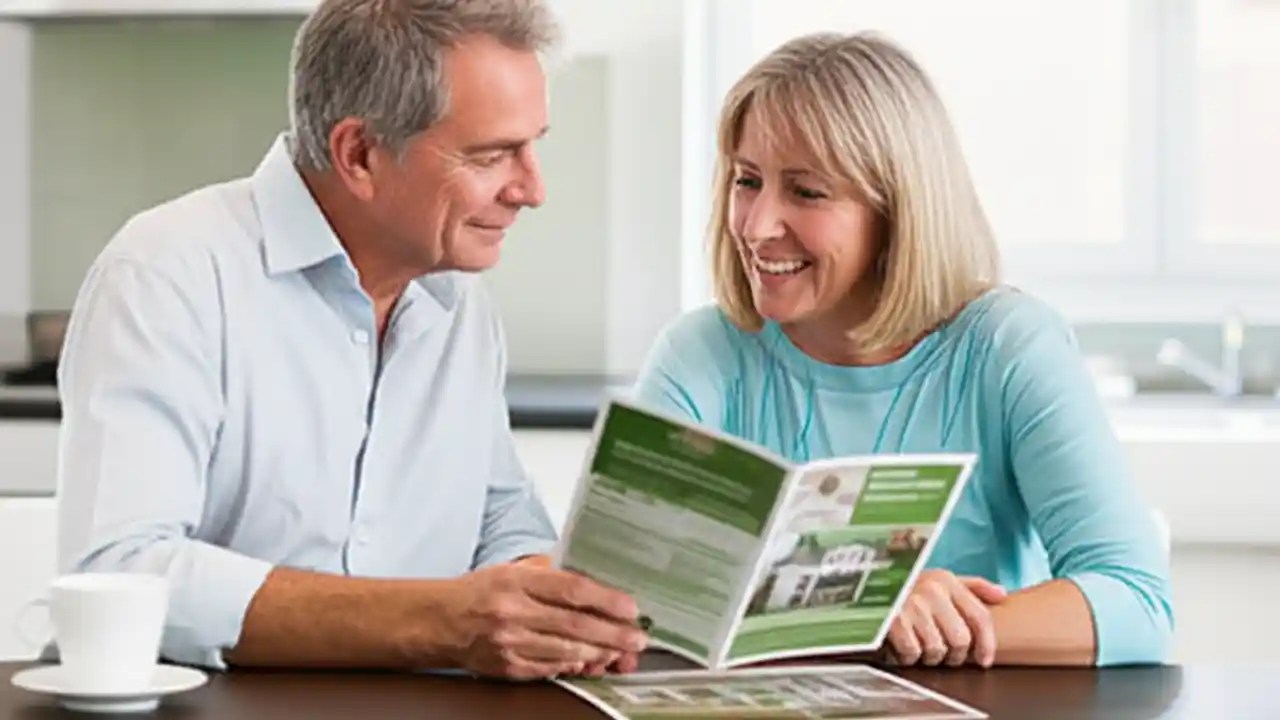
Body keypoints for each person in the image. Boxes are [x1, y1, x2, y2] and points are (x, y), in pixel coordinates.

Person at [56, 0, 646, 679]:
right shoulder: (171, 271)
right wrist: (447, 622)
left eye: (533, 145)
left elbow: (499, 518)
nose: (532, 189)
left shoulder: (458, 302)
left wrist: (549, 602)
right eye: (492, 155)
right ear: (359, 154)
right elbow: (121, 572)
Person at [633, 32, 1173, 668]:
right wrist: (867, 606)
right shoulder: (702, 355)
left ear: (898, 208)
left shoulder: (1007, 348)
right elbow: (634, 584)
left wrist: (921, 620)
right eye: (747, 180)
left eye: (806, 191)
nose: (756, 225)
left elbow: (1136, 603)